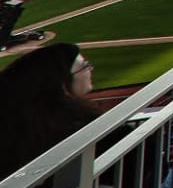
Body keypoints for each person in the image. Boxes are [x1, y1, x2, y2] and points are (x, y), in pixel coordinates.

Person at [0, 42, 103, 179]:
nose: (90, 69)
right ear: (63, 83)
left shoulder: (17, 121)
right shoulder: (77, 122)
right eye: (85, 66)